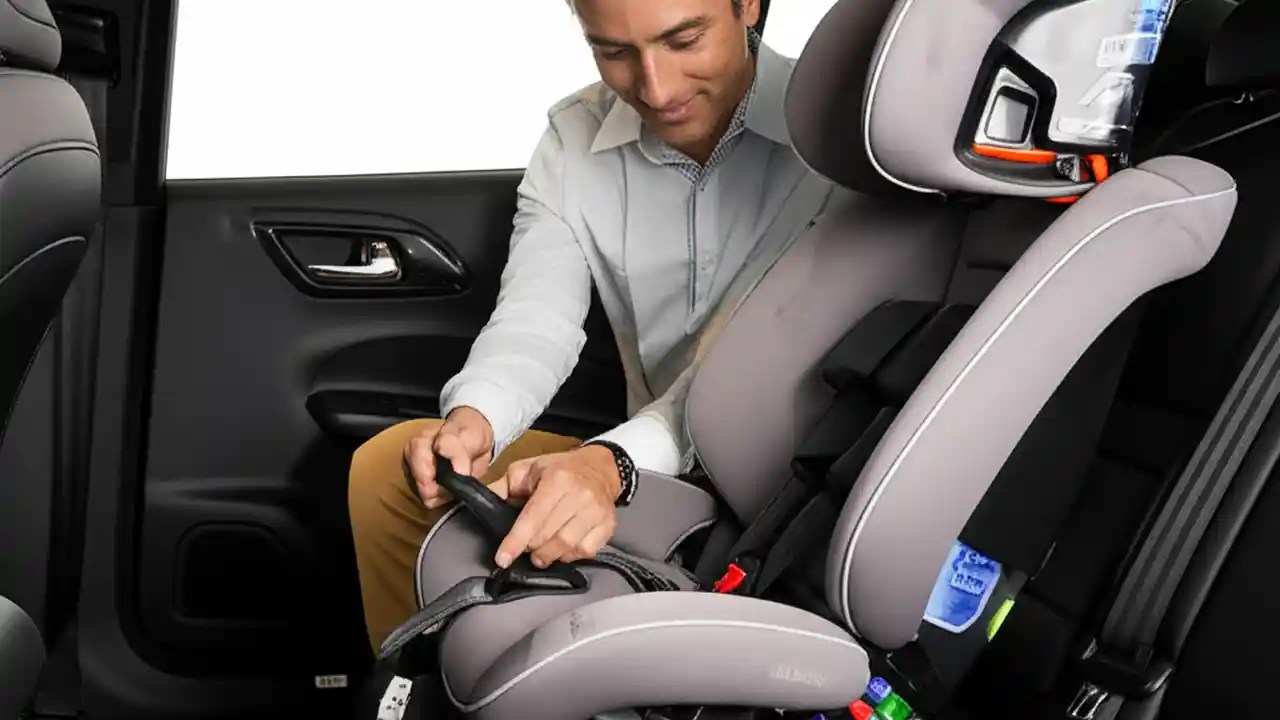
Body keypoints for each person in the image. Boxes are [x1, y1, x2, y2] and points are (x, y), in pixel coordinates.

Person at [347, 0, 834, 652]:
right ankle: (417, 683)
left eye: (684, 40)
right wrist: (478, 417)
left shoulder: (839, 142)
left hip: (782, 476)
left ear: (748, 5)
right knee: (389, 472)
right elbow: (535, 318)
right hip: (654, 470)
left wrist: (610, 468)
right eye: (615, 52)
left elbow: (746, 373)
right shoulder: (573, 141)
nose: (656, 88)